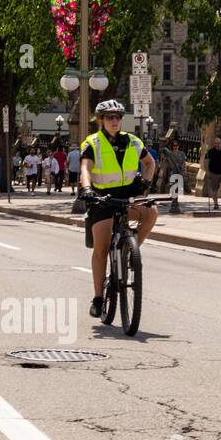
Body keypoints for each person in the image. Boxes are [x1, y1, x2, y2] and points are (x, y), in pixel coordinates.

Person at [79, 100, 158, 319]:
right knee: (101, 250)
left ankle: (129, 252)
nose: (114, 121)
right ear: (101, 120)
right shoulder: (92, 142)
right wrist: (86, 188)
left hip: (129, 197)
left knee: (151, 212)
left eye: (118, 117)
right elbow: (86, 168)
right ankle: (97, 297)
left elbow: (150, 163)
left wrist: (145, 186)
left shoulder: (133, 142)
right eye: (109, 117)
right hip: (102, 199)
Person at [202, 137, 221, 211]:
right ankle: (215, 204)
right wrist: (207, 172)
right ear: (214, 144)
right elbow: (206, 162)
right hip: (213, 173)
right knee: (214, 190)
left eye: (218, 143)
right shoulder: (210, 152)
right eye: (216, 143)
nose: (217, 145)